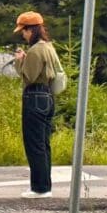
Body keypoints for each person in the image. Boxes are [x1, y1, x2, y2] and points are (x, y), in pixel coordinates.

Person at [13, 11, 62, 197]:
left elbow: (29, 77)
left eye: (24, 31)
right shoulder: (48, 47)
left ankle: (39, 188)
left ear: (31, 30)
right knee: (43, 143)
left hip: (34, 97)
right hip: (48, 96)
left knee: (34, 144)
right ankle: (45, 185)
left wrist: (20, 62)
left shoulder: (34, 51)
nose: (23, 35)